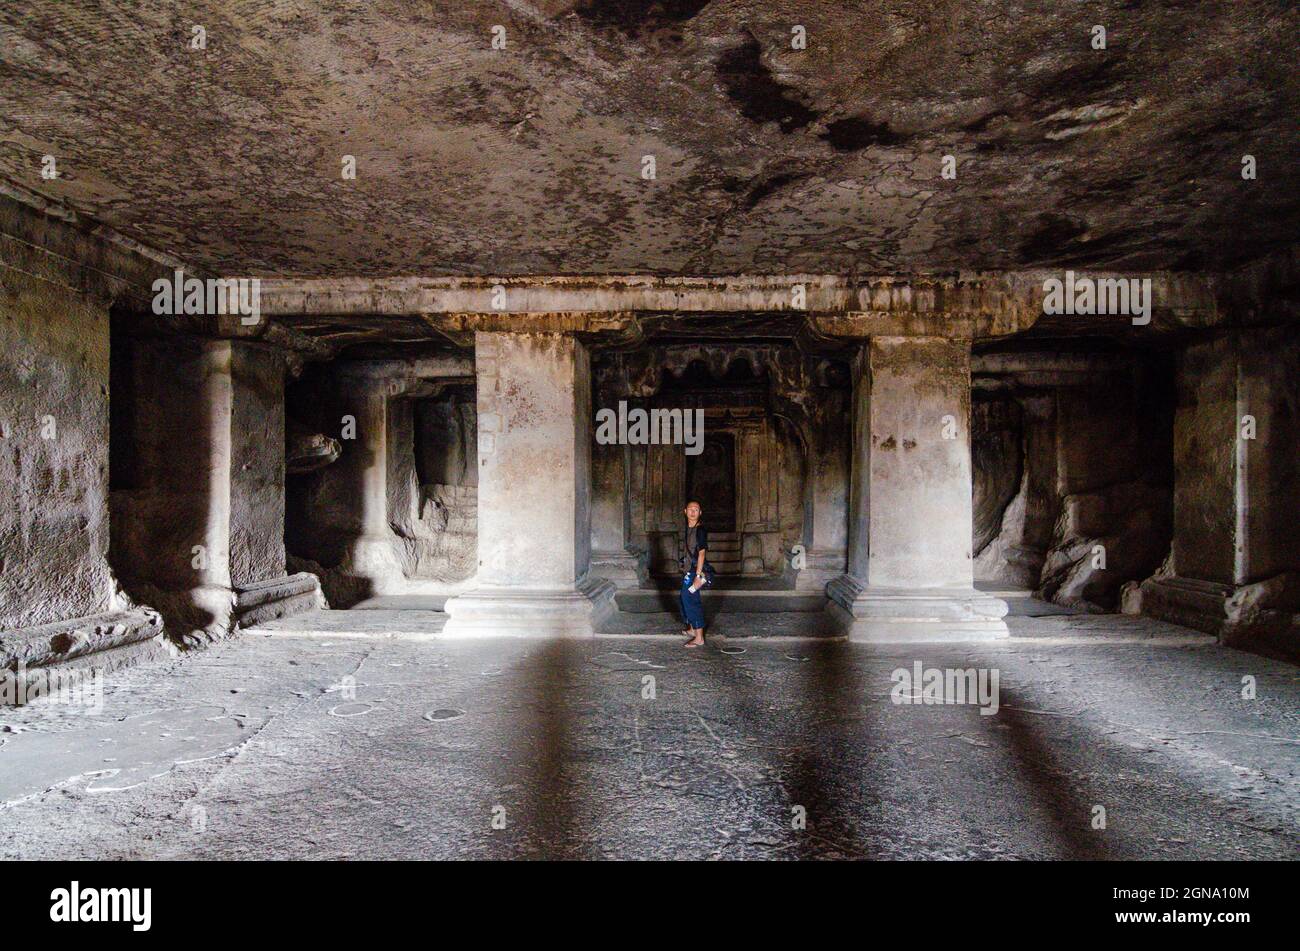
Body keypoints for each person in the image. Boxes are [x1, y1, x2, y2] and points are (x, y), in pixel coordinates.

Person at [680, 500, 712, 647]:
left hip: (695, 570)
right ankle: (693, 629)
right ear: (685, 511)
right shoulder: (687, 528)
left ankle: (699, 637)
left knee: (692, 601)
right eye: (690, 509)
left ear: (700, 513)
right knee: (684, 598)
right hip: (689, 569)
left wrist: (698, 577)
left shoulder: (700, 530)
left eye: (696, 509)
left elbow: (702, 554)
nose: (693, 511)